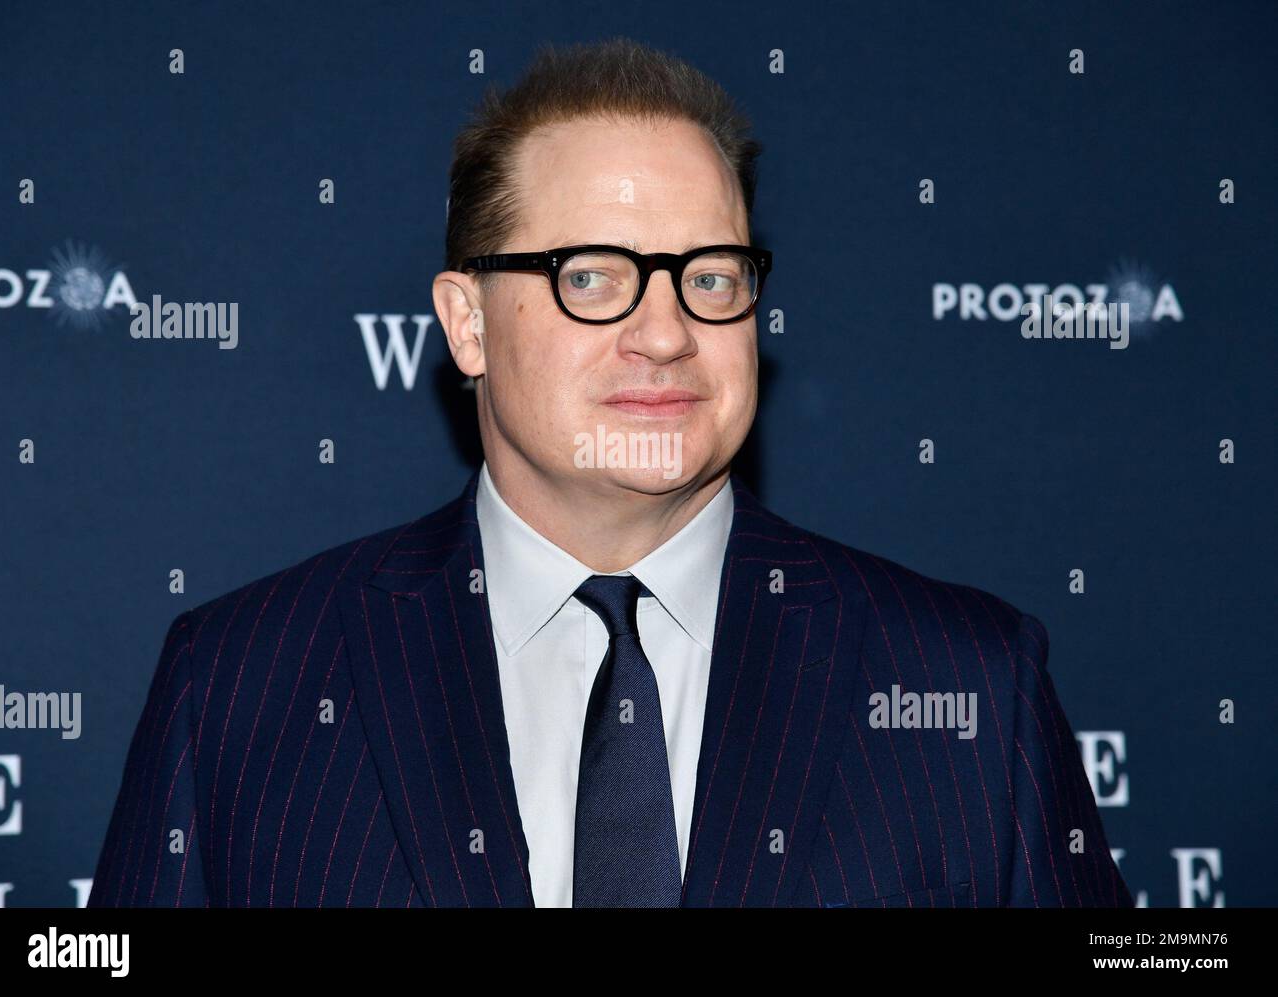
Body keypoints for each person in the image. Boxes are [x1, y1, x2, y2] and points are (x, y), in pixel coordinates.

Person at [87, 37, 1132, 908]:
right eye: (591, 276)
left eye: (709, 275)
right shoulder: (238, 684)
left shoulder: (969, 684)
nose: (666, 332)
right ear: (467, 322)